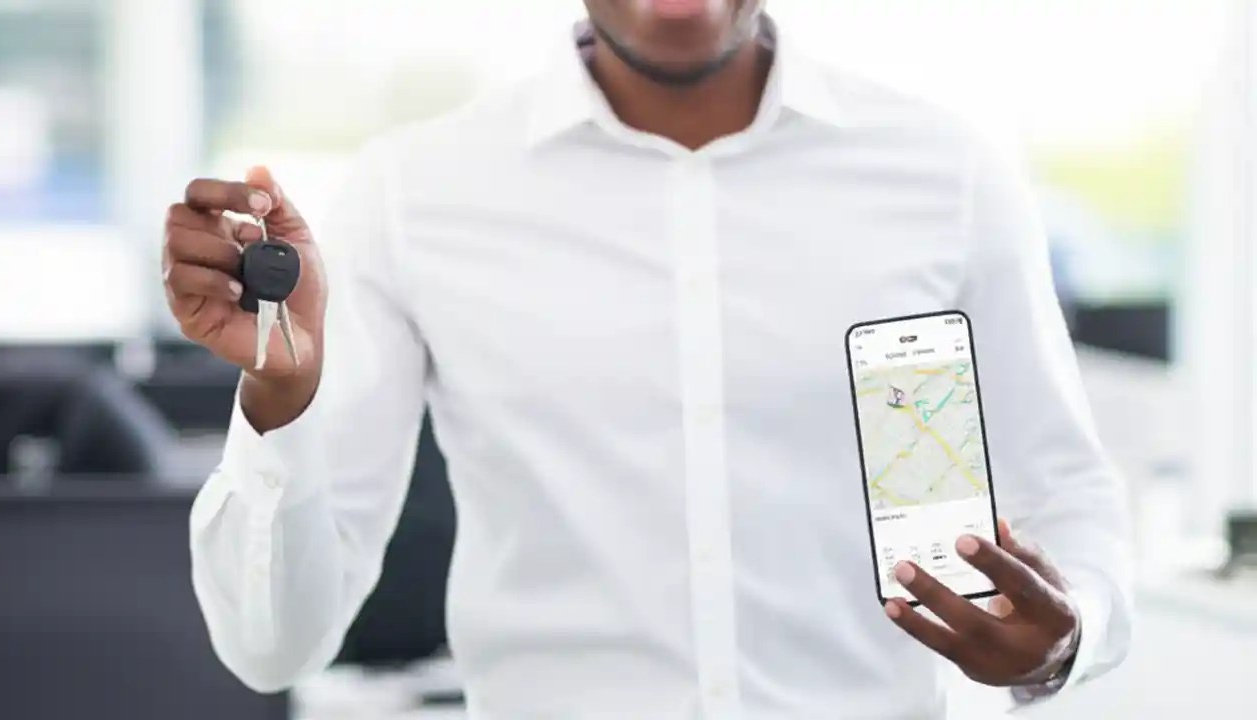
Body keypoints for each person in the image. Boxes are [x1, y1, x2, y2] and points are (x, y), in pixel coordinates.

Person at [165, 1, 1132, 716]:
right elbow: (272, 648)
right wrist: (280, 399)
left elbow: (1067, 494)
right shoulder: (414, 192)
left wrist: (1062, 643)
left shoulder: (945, 173)